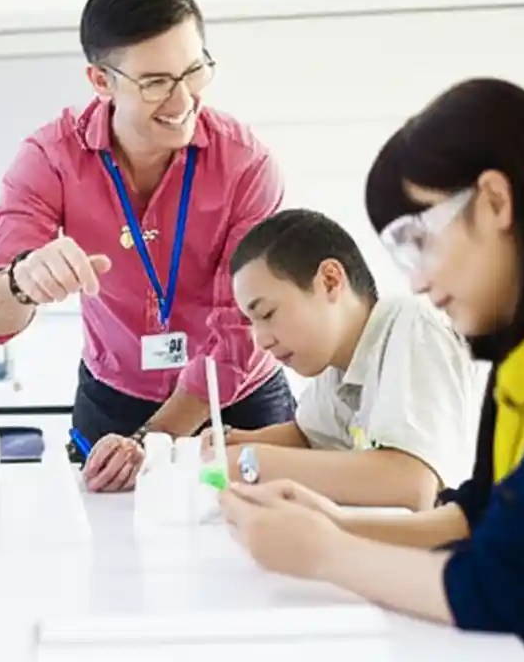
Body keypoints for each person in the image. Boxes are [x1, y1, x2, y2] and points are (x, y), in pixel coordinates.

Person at [219, 78, 524, 661]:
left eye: (418, 240)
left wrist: (328, 554)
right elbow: (480, 514)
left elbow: (508, 588)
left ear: (496, 201)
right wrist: (334, 526)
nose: (418, 279)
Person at [0, 0, 294, 494]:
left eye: (194, 72)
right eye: (157, 83)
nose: (183, 101)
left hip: (235, 394)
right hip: (114, 397)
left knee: (253, 555)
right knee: (116, 562)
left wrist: (150, 440)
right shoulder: (50, 158)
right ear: (100, 82)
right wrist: (23, 281)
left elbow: (242, 331)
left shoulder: (245, 163)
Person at [197, 209, 480, 510]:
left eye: (267, 314)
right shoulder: (337, 362)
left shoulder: (413, 325)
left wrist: (251, 462)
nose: (261, 340)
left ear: (330, 281)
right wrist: (237, 441)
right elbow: (309, 436)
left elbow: (411, 483)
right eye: (252, 322)